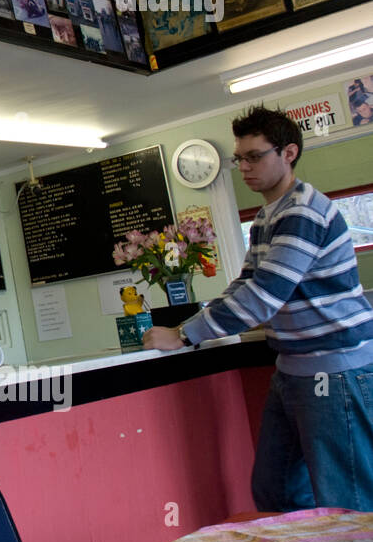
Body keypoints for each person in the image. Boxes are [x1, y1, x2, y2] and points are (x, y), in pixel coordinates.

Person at [145, 106, 373, 511]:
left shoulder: (303, 210)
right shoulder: (271, 215)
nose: (244, 168)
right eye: (240, 158)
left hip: (334, 371)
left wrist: (184, 335)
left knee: (348, 502)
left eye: (254, 156)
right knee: (276, 490)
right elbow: (246, 283)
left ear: (288, 153)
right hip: (293, 370)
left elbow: (265, 296)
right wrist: (194, 323)